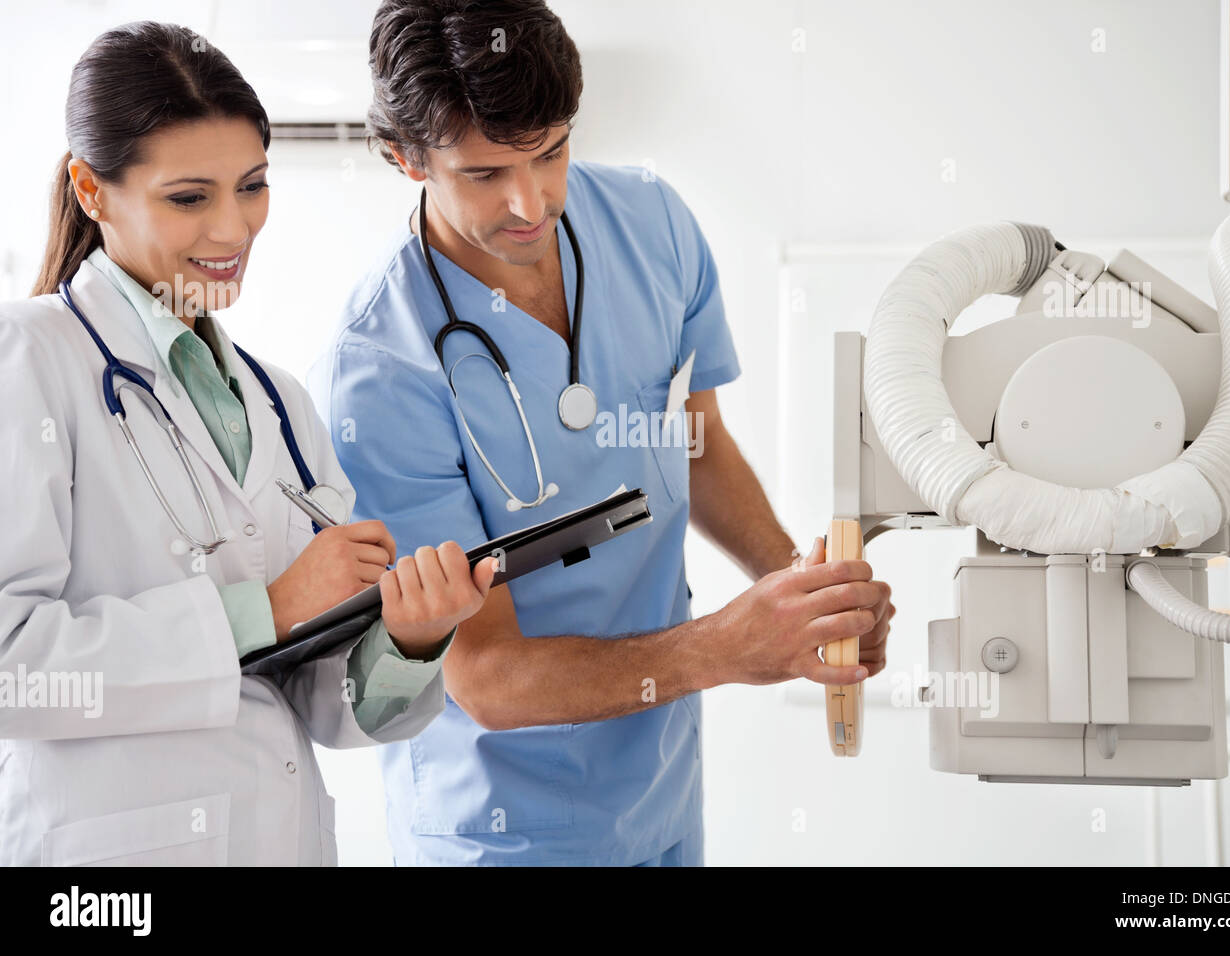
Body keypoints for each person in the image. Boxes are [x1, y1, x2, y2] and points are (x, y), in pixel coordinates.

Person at [309, 0, 895, 866]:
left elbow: (694, 445)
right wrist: (729, 647)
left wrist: (800, 597)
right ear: (405, 158)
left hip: (659, 792)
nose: (530, 201)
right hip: (502, 826)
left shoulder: (653, 226)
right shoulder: (379, 368)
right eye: (484, 173)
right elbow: (488, 675)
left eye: (551, 152)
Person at [0, 21, 494, 866]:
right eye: (189, 197)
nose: (233, 230)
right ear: (91, 189)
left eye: (253, 186)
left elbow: (313, 697)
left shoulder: (279, 400)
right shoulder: (30, 356)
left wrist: (409, 639)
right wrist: (268, 606)